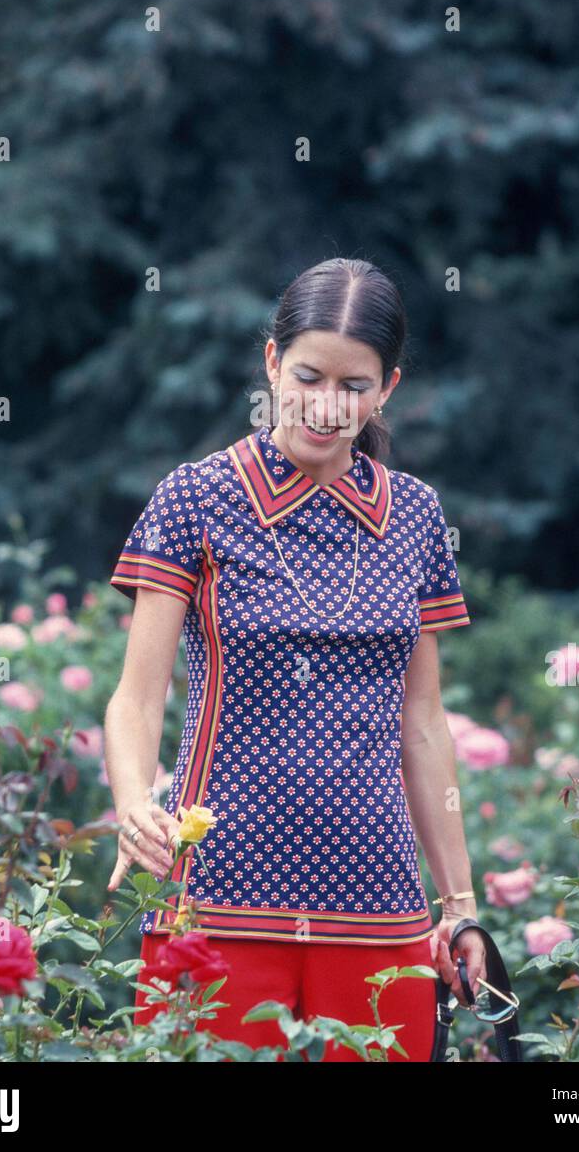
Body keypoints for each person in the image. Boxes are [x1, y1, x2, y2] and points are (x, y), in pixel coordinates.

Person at [104, 256, 486, 1062]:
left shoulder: (414, 515)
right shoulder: (195, 497)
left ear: (387, 389)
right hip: (214, 890)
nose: (326, 405)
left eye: (355, 385)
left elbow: (422, 723)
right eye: (308, 375)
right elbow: (135, 700)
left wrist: (457, 903)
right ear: (271, 361)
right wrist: (135, 800)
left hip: (379, 896)